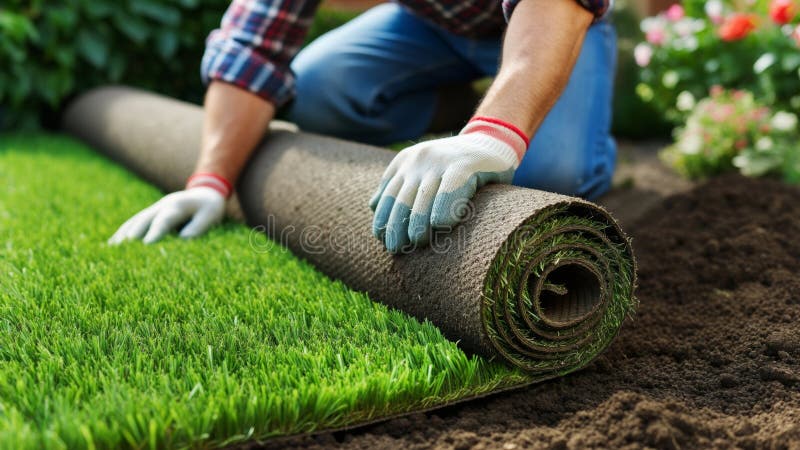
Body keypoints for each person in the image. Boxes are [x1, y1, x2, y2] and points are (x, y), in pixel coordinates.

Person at [108, 0, 616, 253]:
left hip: (552, 20)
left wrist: (495, 134)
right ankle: (452, 106)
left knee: (553, 171)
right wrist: (210, 182)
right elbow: (252, 46)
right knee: (316, 92)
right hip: (431, 26)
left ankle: (586, 141)